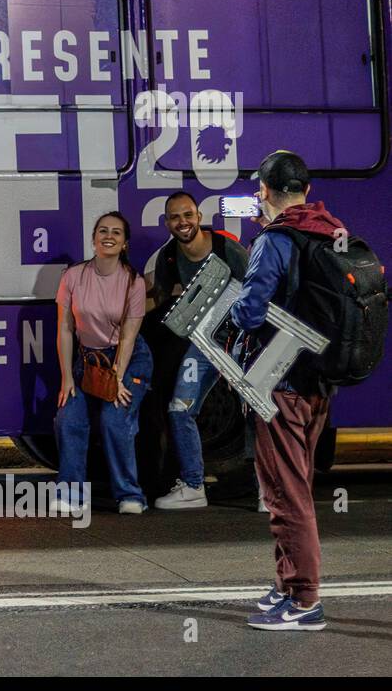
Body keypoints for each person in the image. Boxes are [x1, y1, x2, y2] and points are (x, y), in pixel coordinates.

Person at [233, 151, 343, 631]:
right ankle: (286, 585)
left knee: (285, 492)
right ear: (306, 191)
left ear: (265, 190)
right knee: (292, 485)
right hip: (319, 380)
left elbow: (251, 311)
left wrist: (238, 308)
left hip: (281, 381)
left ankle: (304, 601)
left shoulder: (276, 240)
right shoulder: (330, 230)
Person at [147, 191, 250, 510]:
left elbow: (256, 294)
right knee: (180, 409)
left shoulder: (227, 249)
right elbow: (159, 303)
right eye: (175, 217)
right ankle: (193, 485)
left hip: (243, 343)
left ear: (199, 217)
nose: (183, 222)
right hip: (203, 346)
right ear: (167, 223)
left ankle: (269, 489)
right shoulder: (167, 258)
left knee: (262, 411)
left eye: (188, 215)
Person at [52, 211, 152, 514]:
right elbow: (65, 330)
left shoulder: (133, 282)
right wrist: (67, 378)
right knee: (68, 419)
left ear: (124, 243)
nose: (109, 236)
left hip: (127, 360)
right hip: (87, 359)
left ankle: (130, 495)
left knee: (114, 419)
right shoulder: (73, 277)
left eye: (117, 233)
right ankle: (71, 495)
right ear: (94, 238)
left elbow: (128, 337)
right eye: (103, 231)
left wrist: (118, 378)